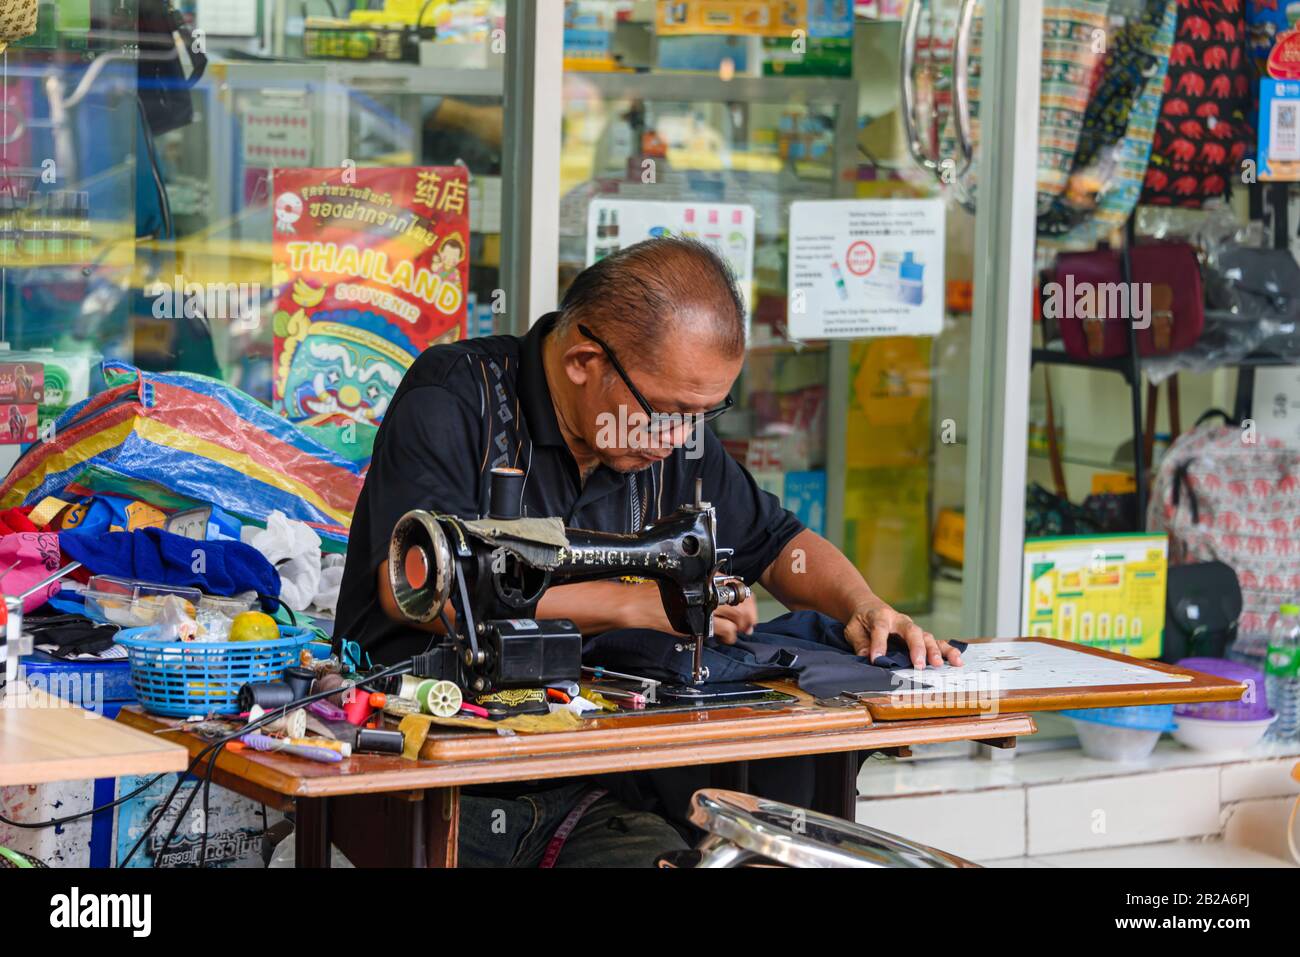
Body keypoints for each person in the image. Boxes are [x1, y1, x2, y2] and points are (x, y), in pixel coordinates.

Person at [336, 237, 963, 867]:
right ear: (584, 360)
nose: (682, 437)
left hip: (592, 783)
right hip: (429, 771)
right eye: (668, 413)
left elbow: (777, 545)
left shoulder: (672, 439)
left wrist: (862, 605)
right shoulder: (456, 398)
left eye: (704, 414)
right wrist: (636, 604)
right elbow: (413, 583)